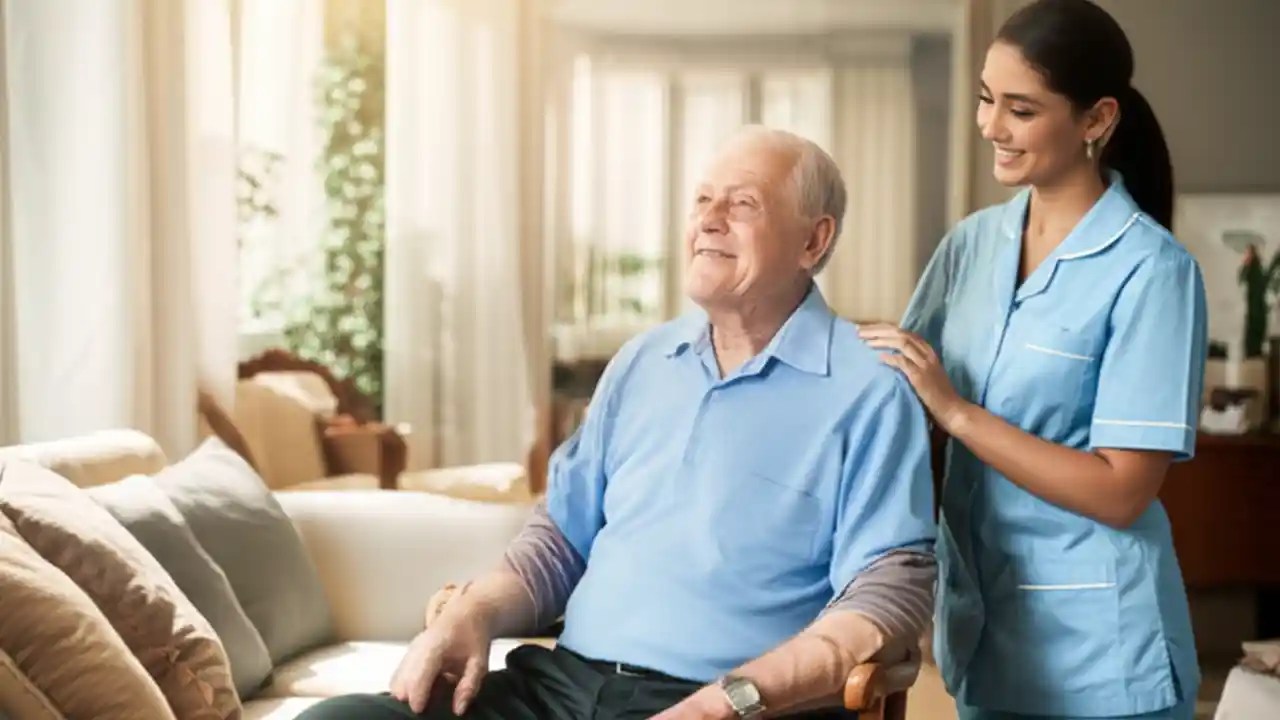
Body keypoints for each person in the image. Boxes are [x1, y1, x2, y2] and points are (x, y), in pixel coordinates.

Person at [297, 127, 937, 720]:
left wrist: (731, 699)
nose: (708, 221)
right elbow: (560, 540)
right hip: (561, 687)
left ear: (813, 241)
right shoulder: (642, 361)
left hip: (726, 705)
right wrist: (473, 614)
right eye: (702, 200)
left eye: (742, 204)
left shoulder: (871, 385)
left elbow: (886, 594)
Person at [859, 1, 1205, 718]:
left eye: (1021, 109)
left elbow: (1122, 490)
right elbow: (906, 409)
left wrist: (957, 411)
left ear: (1096, 120)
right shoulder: (971, 245)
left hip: (1100, 658)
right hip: (982, 638)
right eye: (987, 99)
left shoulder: (1151, 271)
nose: (990, 126)